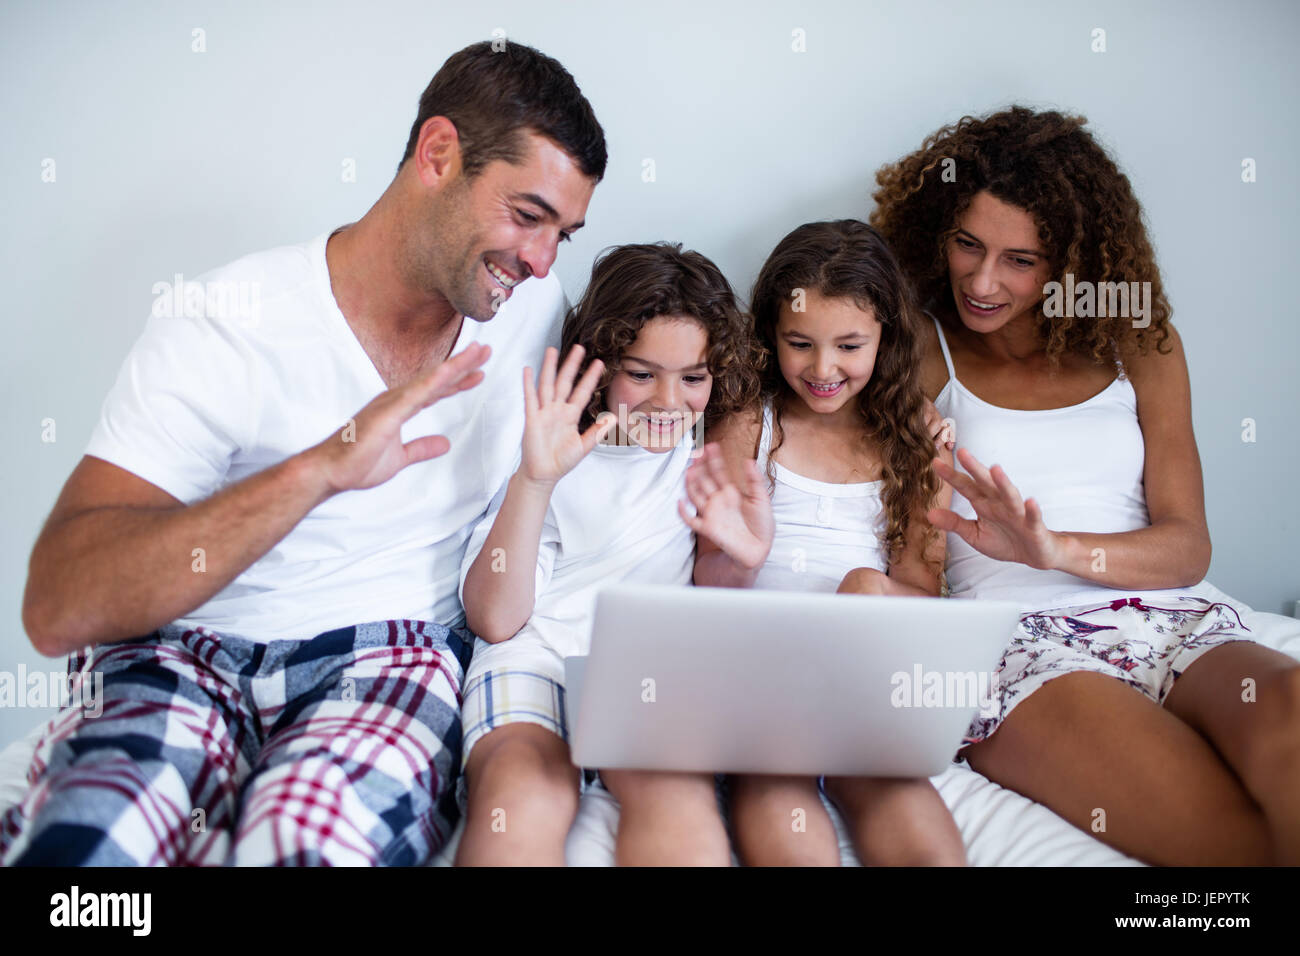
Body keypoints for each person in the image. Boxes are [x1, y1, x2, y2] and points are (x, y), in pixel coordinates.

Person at [1, 40, 607, 866]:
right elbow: (58, 604)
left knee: (306, 840)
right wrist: (320, 468)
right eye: (527, 215)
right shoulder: (226, 317)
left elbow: (669, 403)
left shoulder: (541, 322)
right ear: (438, 154)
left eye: (562, 235)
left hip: (387, 654)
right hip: (183, 652)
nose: (539, 262)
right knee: (96, 843)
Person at [871, 105, 1300, 865]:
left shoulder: (1143, 344)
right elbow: (909, 558)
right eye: (967, 243)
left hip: (1172, 614)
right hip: (1023, 646)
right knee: (1224, 831)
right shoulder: (921, 350)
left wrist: (1056, 547)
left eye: (1021, 260)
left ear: (1071, 262)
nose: (982, 279)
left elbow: (1186, 547)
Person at [455, 242, 765, 865]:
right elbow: (494, 620)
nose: (669, 402)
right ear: (599, 365)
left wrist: (745, 558)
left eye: (694, 379)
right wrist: (536, 482)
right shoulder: (550, 447)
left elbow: (713, 586)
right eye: (642, 374)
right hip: (536, 654)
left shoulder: (702, 458)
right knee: (521, 789)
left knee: (673, 792)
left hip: (645, 664)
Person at [685, 220, 963, 865]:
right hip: (762, 664)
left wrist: (869, 592)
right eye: (799, 343)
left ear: (885, 338)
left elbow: (924, 592)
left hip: (860, 667)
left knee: (892, 786)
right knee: (775, 784)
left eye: (849, 345)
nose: (823, 368)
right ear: (771, 335)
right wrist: (738, 551)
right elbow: (712, 577)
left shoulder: (917, 431)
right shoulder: (749, 420)